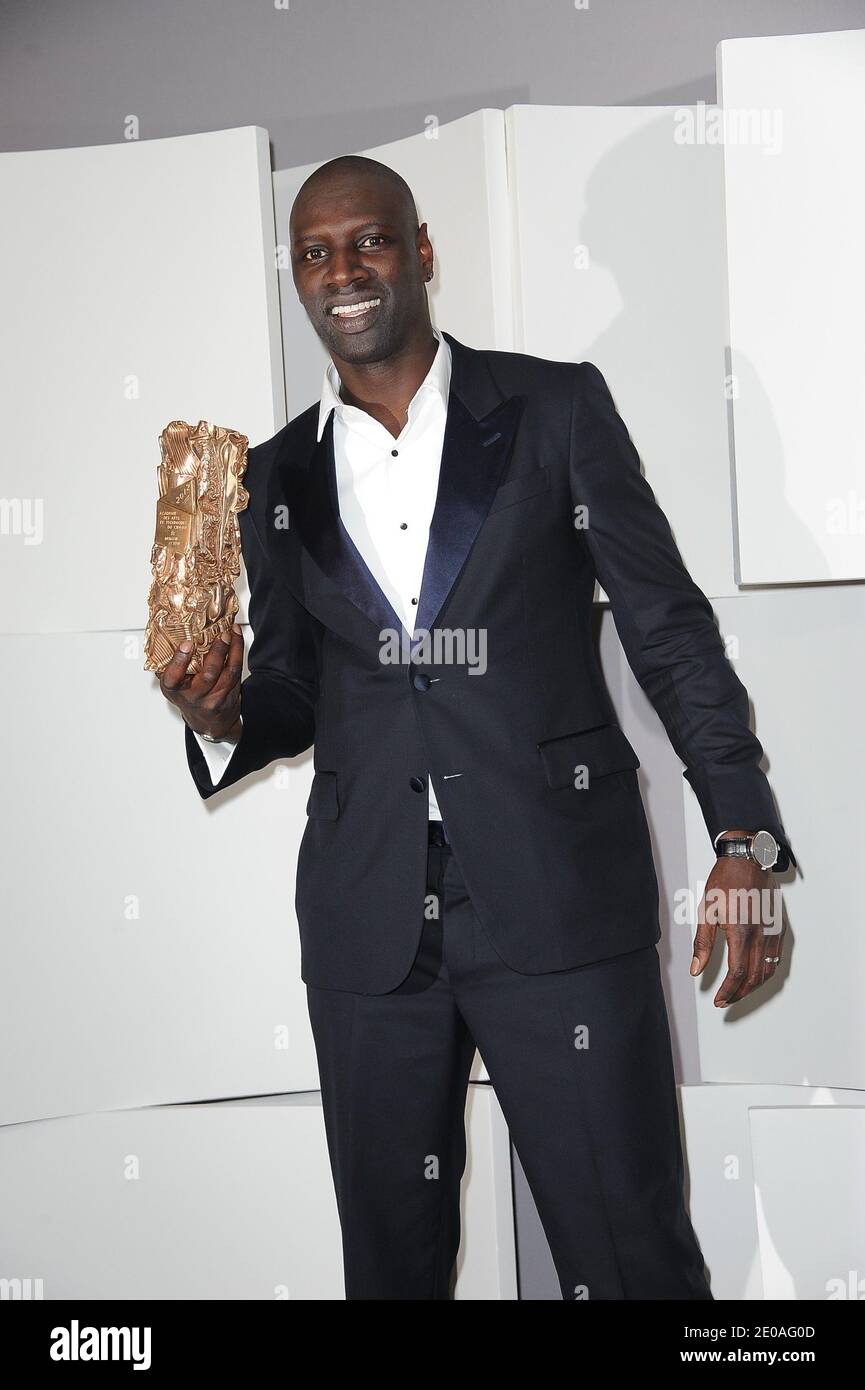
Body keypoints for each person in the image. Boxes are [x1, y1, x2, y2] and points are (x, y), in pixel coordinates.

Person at [159, 155, 793, 1300]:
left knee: (630, 1253)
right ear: (295, 279)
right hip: (368, 926)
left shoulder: (553, 409)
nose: (343, 271)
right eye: (315, 253)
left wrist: (740, 837)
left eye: (370, 241)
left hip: (557, 900)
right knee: (390, 1270)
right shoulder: (274, 474)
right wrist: (218, 714)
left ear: (422, 251)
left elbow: (670, 631)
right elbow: (296, 694)